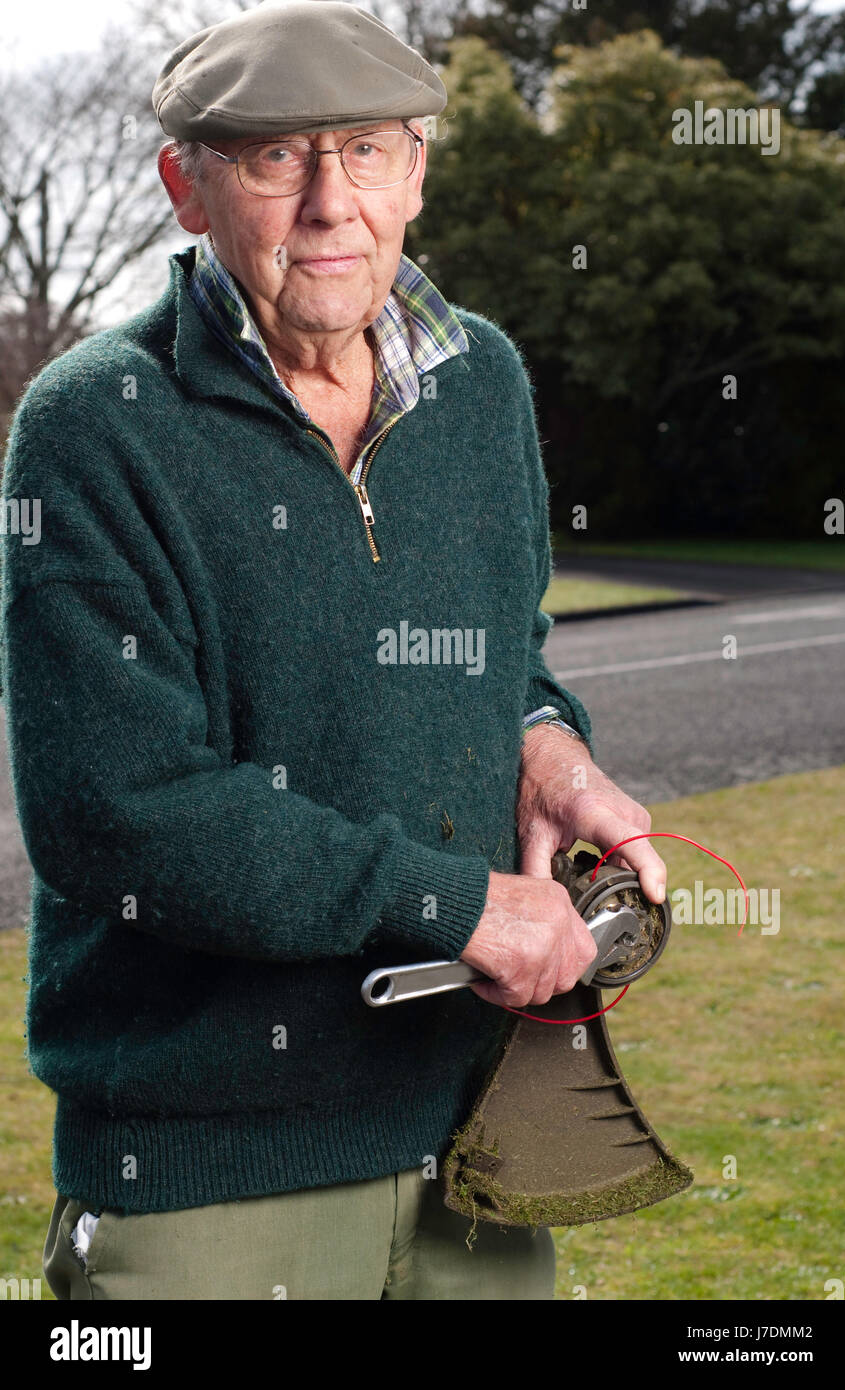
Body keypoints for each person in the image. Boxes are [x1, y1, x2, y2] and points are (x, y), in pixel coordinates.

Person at [1, 0, 666, 1300]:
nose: (328, 203)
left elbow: (506, 659)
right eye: (271, 157)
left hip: (474, 1137)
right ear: (185, 185)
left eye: (364, 150)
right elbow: (120, 816)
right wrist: (457, 902)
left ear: (416, 170)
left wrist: (549, 753)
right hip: (208, 1180)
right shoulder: (92, 429)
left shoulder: (485, 383)